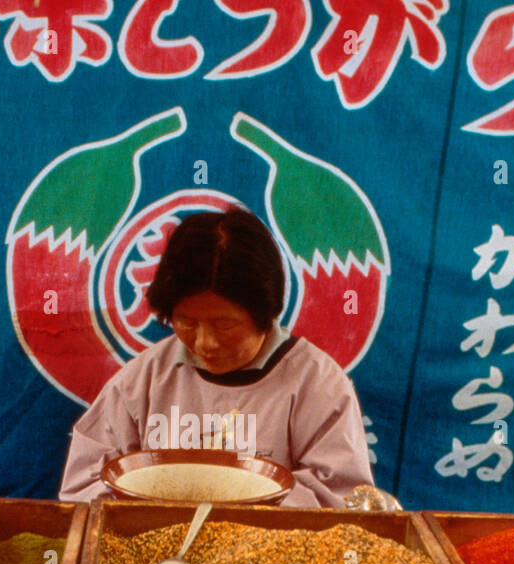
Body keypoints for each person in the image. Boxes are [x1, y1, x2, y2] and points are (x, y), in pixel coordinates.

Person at [60, 207, 375, 507]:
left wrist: (233, 516)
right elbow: (83, 486)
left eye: (224, 324)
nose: (205, 343)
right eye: (187, 322)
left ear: (264, 313)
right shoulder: (143, 380)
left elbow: (342, 500)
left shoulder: (317, 385)